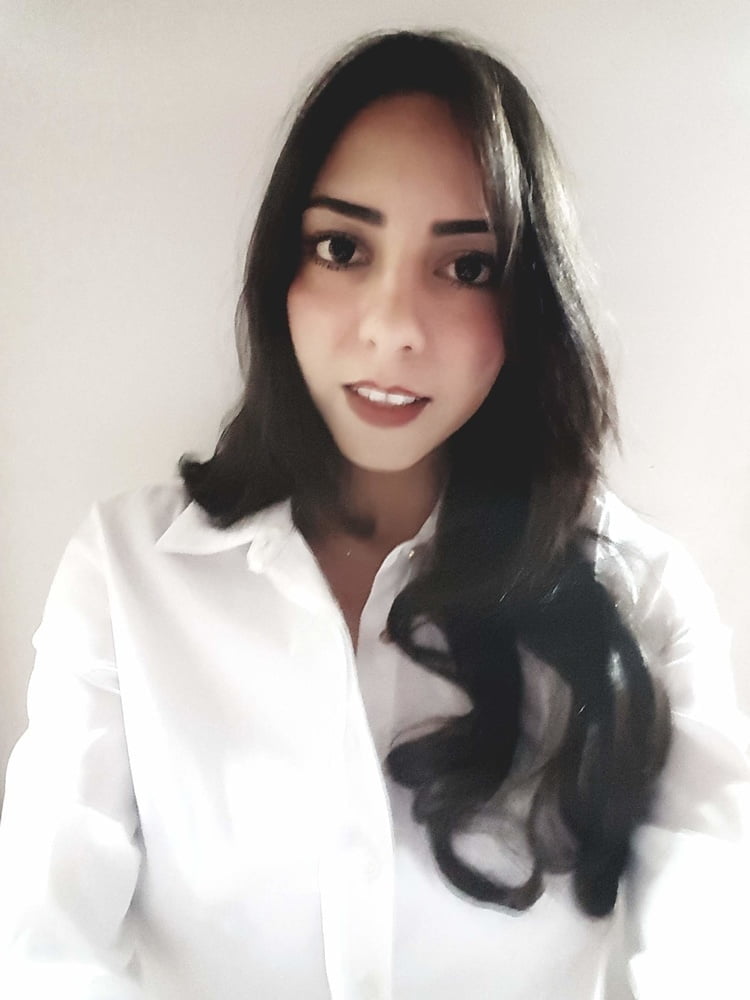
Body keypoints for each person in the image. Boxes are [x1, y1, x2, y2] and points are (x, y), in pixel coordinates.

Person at [0, 28, 747, 1000]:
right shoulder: (129, 572)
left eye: (467, 267)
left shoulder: (641, 597)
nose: (393, 327)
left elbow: (711, 945)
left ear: (529, 303)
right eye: (343, 248)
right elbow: (42, 946)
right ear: (282, 272)